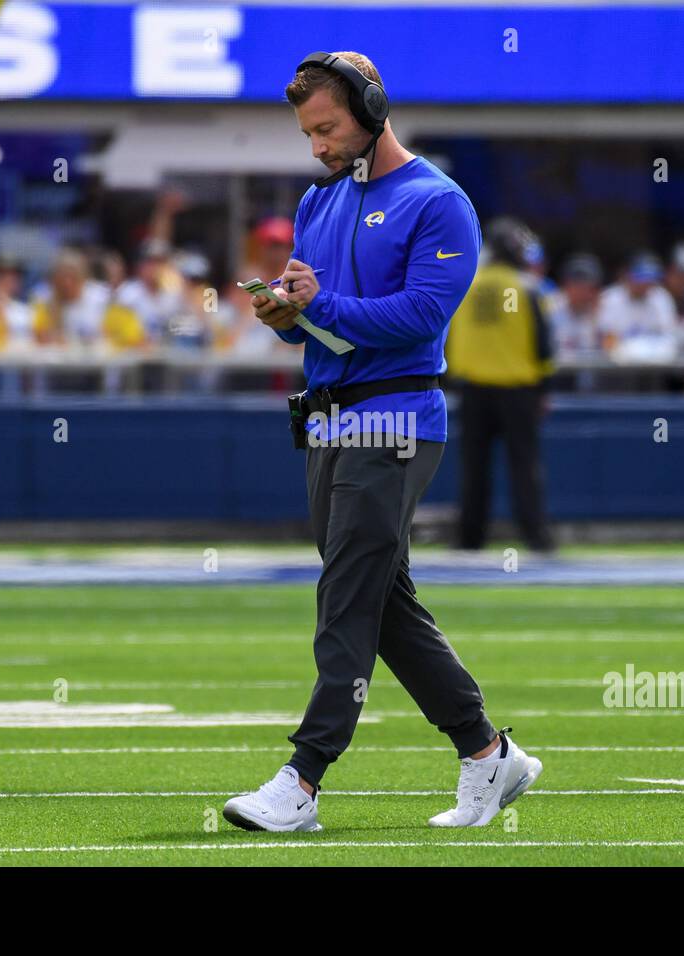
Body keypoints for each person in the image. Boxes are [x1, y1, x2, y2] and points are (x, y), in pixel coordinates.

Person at [222, 50, 542, 834]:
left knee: (344, 597)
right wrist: (286, 314)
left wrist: (320, 305)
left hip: (397, 417)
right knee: (381, 599)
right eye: (308, 132)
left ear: (372, 107)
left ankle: (303, 777)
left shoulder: (438, 203)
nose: (317, 146)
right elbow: (322, 315)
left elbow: (418, 318)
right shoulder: (317, 200)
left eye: (327, 127)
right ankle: (486, 751)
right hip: (330, 415)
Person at [445, 216, 557, 554]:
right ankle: (535, 537)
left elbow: (449, 338)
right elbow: (543, 345)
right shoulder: (529, 287)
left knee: (474, 468)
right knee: (525, 466)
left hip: (473, 387)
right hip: (517, 389)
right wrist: (544, 387)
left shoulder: (468, 283)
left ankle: (470, 539)